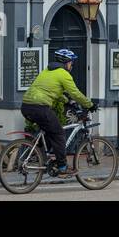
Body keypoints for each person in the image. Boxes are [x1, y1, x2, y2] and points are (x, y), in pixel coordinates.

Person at [20, 48, 95, 176]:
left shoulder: (46, 71)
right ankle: (62, 167)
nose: (72, 65)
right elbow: (75, 93)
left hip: (26, 106)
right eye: (71, 62)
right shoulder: (64, 74)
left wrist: (67, 101)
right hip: (40, 107)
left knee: (49, 132)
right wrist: (90, 104)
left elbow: (53, 91)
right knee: (59, 133)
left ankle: (40, 156)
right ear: (66, 62)